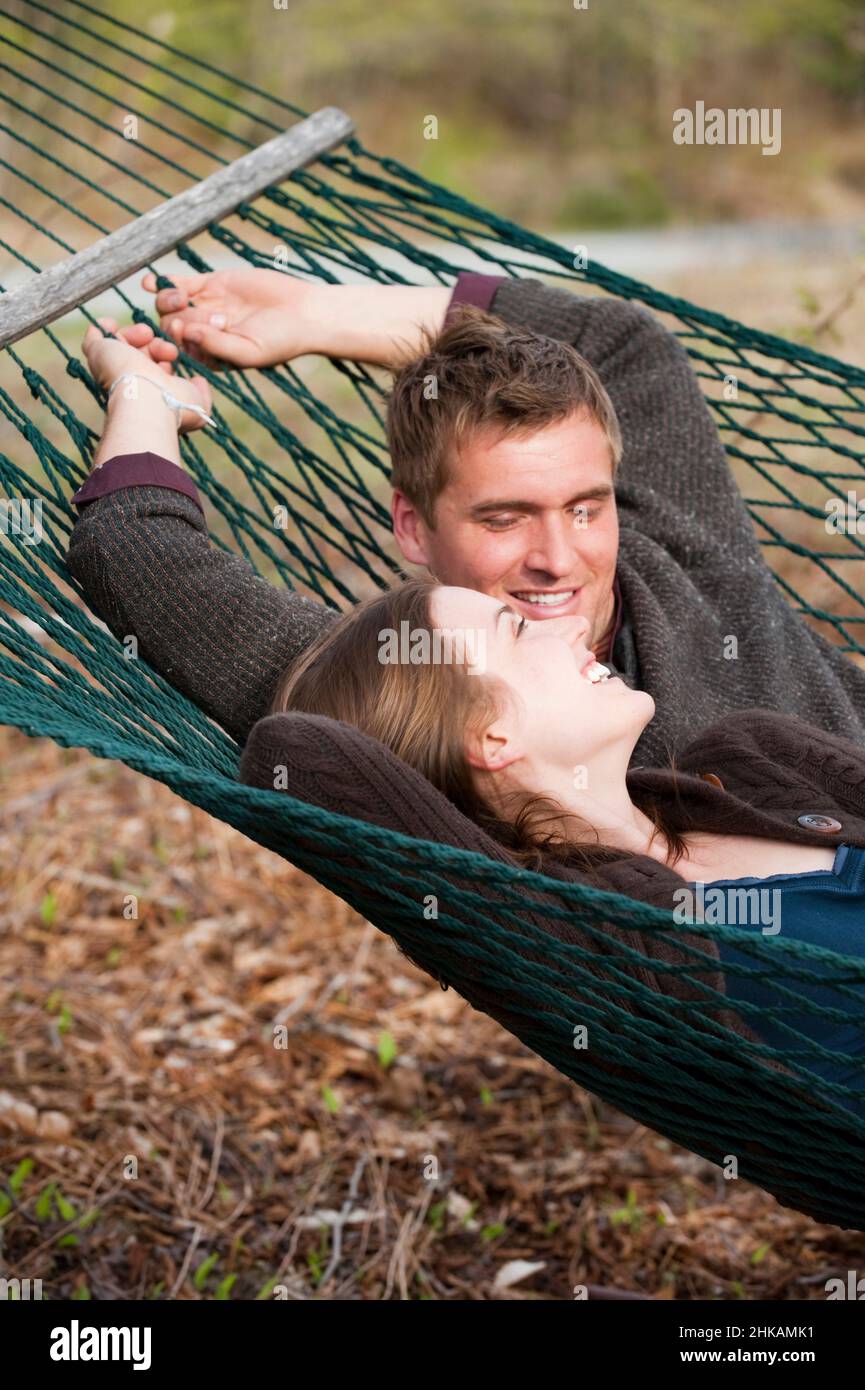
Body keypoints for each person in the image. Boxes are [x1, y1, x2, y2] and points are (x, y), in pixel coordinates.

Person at [66, 268, 865, 768]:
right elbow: (137, 554)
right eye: (503, 519)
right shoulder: (400, 700)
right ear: (412, 527)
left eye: (585, 508)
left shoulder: (682, 548)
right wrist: (146, 396)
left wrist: (313, 314)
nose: (561, 557)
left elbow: (624, 342)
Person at [248, 573, 865, 1117]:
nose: (573, 624)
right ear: (490, 736)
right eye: (516, 631)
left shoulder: (753, 764)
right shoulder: (596, 936)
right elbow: (295, 754)